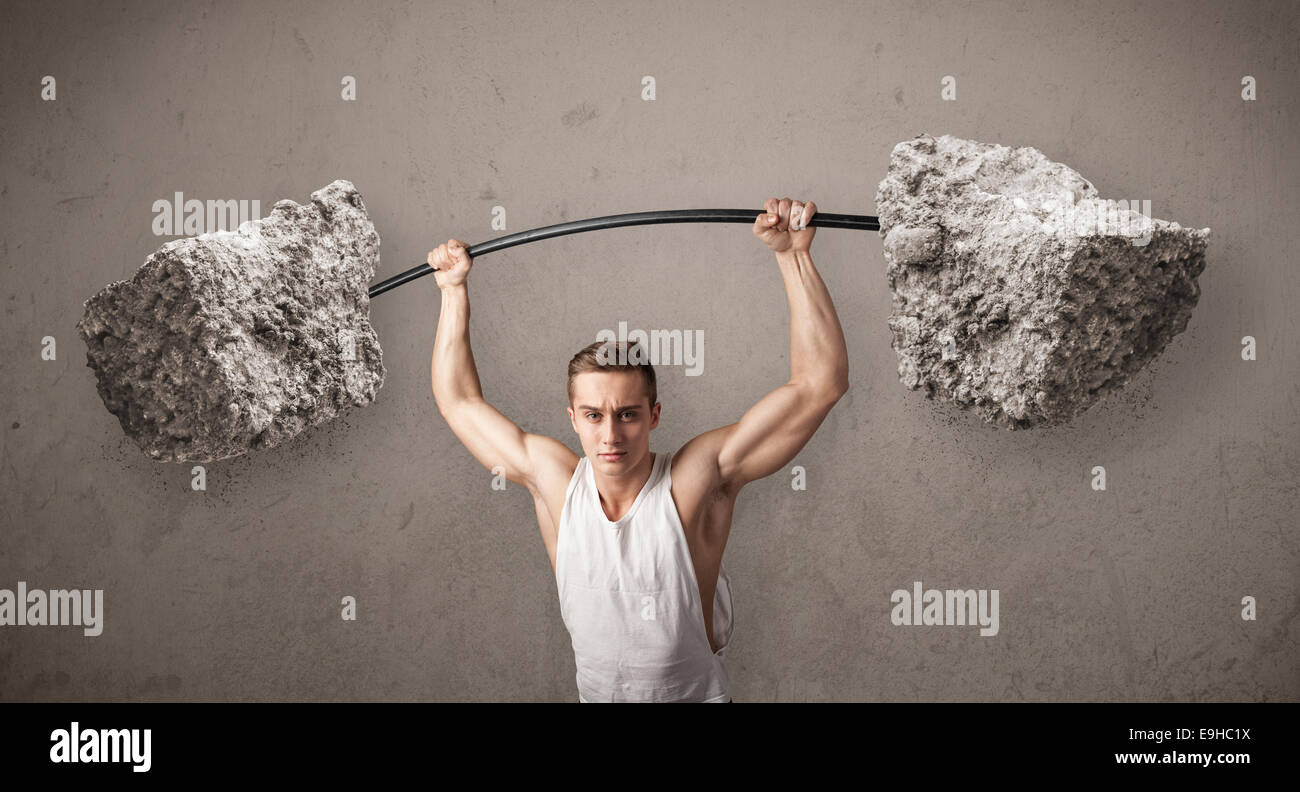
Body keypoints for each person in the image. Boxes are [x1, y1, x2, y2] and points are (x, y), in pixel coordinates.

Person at [430, 197, 849, 702]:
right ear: (573, 419)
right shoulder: (555, 482)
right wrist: (453, 290)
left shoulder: (696, 480)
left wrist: (793, 256)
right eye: (593, 416)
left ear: (653, 416)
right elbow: (458, 401)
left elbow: (819, 383)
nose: (610, 435)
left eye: (627, 414)